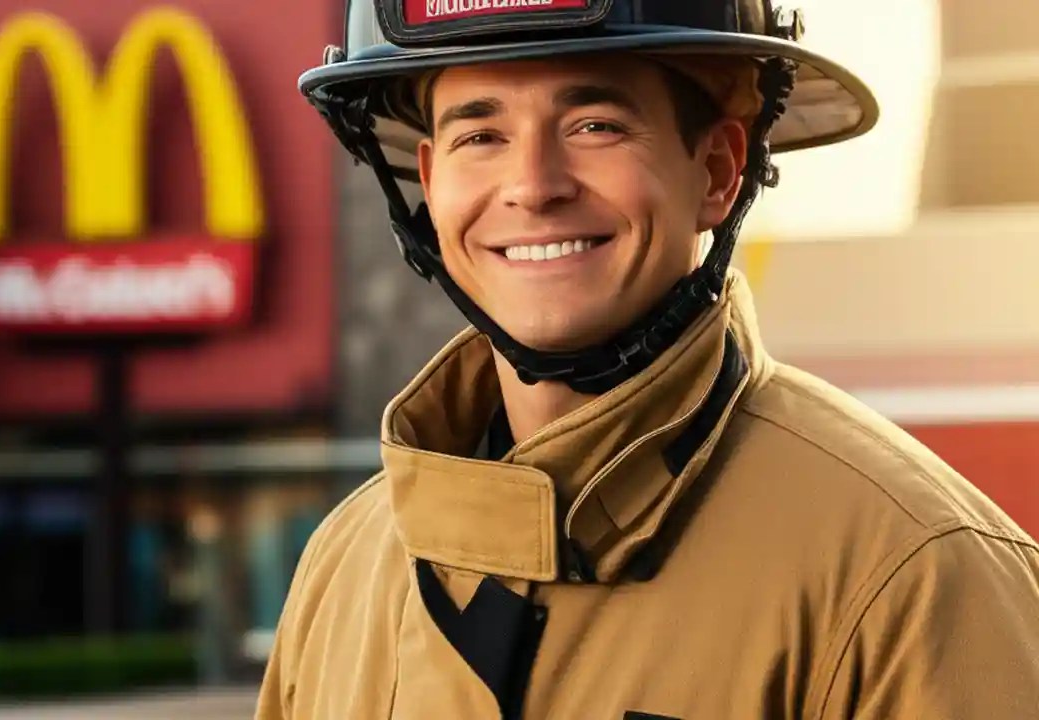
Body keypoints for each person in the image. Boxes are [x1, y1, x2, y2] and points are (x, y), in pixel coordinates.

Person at [257, 1, 1039, 718]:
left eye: (594, 124)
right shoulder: (343, 569)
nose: (532, 187)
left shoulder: (914, 574)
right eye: (480, 135)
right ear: (430, 181)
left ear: (719, 172)